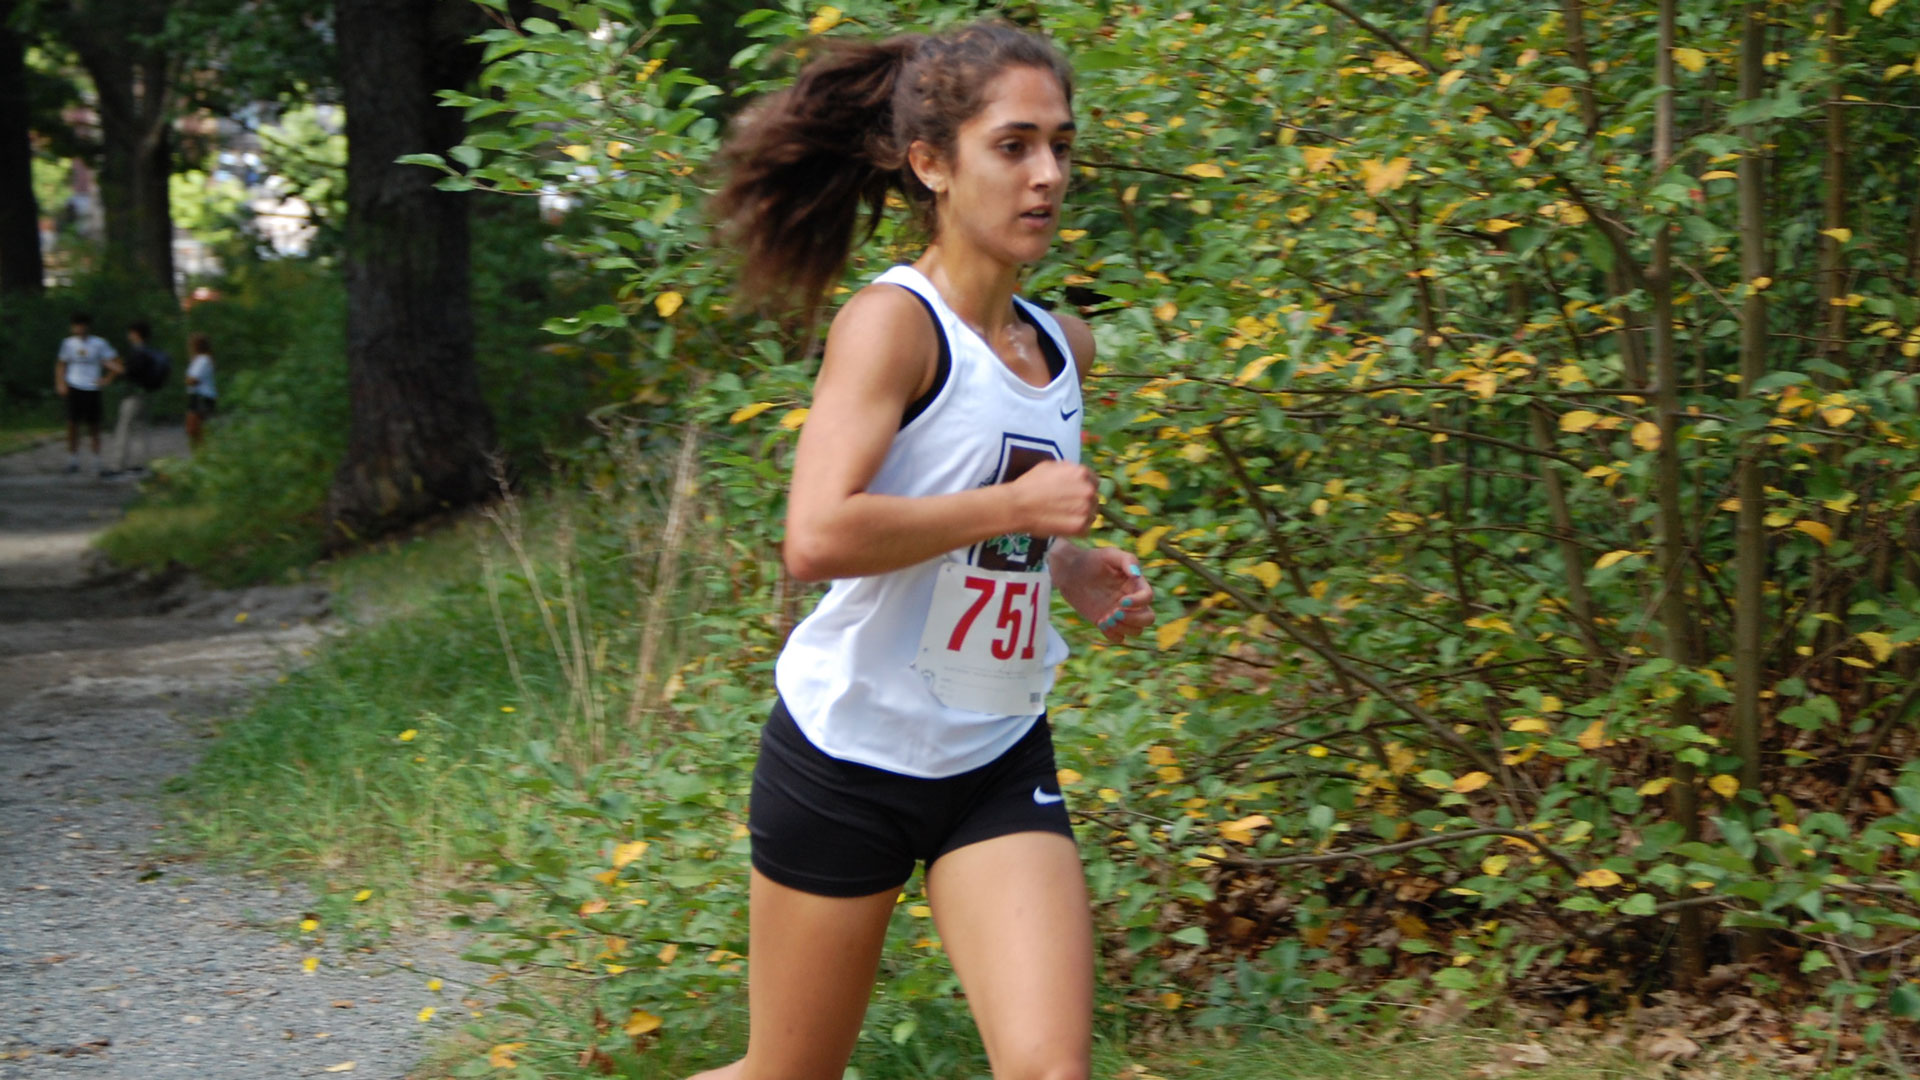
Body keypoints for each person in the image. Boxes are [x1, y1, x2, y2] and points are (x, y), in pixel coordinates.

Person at [700, 22, 1156, 1080]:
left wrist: (1067, 566)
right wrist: (1024, 503)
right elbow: (816, 535)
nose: (1047, 175)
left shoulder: (1061, 347)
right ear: (932, 163)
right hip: (848, 761)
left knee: (1051, 1071)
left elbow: (986, 520)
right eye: (1014, 146)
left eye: (1062, 145)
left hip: (992, 757)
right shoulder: (894, 326)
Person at [54, 312, 116, 475]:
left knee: (94, 425)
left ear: (88, 326)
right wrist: (61, 383)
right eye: (77, 325)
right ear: (72, 327)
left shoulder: (99, 343)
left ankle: (96, 460)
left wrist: (107, 379)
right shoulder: (68, 344)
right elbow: (61, 364)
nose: (80, 328)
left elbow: (115, 362)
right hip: (74, 385)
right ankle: (73, 460)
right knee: (72, 424)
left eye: (82, 325)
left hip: (92, 387)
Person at [107, 319, 167, 476]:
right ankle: (140, 463)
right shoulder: (149, 352)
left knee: (124, 428)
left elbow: (129, 372)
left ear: (135, 334)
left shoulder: (138, 353)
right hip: (147, 394)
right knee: (141, 428)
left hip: (134, 395)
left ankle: (117, 465)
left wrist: (112, 366)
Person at [184, 332, 217, 450]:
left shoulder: (202, 360)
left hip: (200, 396)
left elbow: (193, 380)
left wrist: (187, 380)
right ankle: (200, 454)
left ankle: (201, 455)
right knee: (195, 429)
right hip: (199, 396)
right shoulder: (203, 359)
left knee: (195, 429)